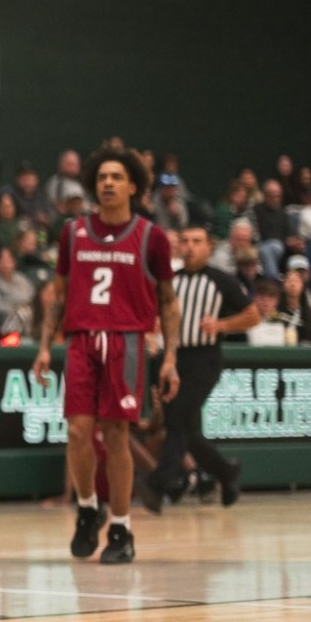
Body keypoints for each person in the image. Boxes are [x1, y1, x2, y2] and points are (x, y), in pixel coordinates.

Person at [33, 148, 181, 566]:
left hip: (127, 342)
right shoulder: (74, 232)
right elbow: (57, 296)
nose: (108, 183)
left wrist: (170, 356)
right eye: (101, 177)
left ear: (133, 186)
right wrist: (45, 346)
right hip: (81, 339)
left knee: (116, 436)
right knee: (78, 432)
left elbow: (169, 303)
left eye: (117, 177)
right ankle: (86, 507)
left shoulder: (152, 237)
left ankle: (120, 526)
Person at [154, 226, 261, 509]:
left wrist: (222, 325)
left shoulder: (221, 281)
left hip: (205, 358)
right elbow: (156, 316)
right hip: (172, 359)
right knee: (185, 427)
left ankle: (158, 484)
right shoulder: (170, 281)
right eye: (185, 241)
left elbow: (253, 316)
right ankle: (226, 472)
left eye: (197, 242)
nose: (189, 247)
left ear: (209, 247)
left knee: (177, 421)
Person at [0, 246, 36, 332]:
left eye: (8, 260)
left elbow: (31, 297)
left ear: (14, 262)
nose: (5, 263)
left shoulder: (21, 279)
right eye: (2, 260)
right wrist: (16, 309)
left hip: (25, 318)